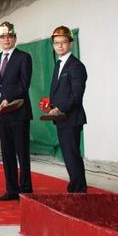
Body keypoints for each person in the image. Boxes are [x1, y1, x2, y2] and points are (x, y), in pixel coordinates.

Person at [0, 22, 33, 201]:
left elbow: (23, 85)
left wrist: (8, 98)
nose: (6, 40)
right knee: (7, 153)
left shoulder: (24, 57)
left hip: (18, 112)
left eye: (9, 36)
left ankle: (26, 190)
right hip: (2, 113)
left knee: (22, 152)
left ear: (15, 38)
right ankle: (11, 189)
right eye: (3, 37)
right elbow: (0, 85)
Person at [48, 25, 87, 193]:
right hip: (61, 118)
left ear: (71, 43)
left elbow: (76, 95)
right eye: (56, 43)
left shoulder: (76, 66)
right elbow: (60, 91)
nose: (60, 46)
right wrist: (51, 106)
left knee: (72, 155)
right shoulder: (59, 64)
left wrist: (59, 108)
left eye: (63, 42)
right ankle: (76, 187)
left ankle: (78, 190)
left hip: (71, 118)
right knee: (68, 155)